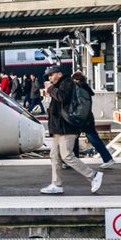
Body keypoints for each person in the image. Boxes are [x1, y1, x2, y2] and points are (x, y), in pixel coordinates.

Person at [42, 65, 103, 194]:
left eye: (51, 75)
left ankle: (93, 175)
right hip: (59, 128)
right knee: (55, 156)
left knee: (67, 156)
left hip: (67, 128)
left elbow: (62, 97)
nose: (50, 78)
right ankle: (56, 184)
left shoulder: (67, 83)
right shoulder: (60, 84)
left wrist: (50, 89)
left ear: (58, 73)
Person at [71, 71, 114, 169]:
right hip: (87, 118)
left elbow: (82, 106)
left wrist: (75, 116)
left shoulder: (79, 89)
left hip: (83, 119)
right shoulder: (84, 88)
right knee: (86, 138)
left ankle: (107, 159)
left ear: (76, 80)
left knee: (88, 138)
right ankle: (107, 159)